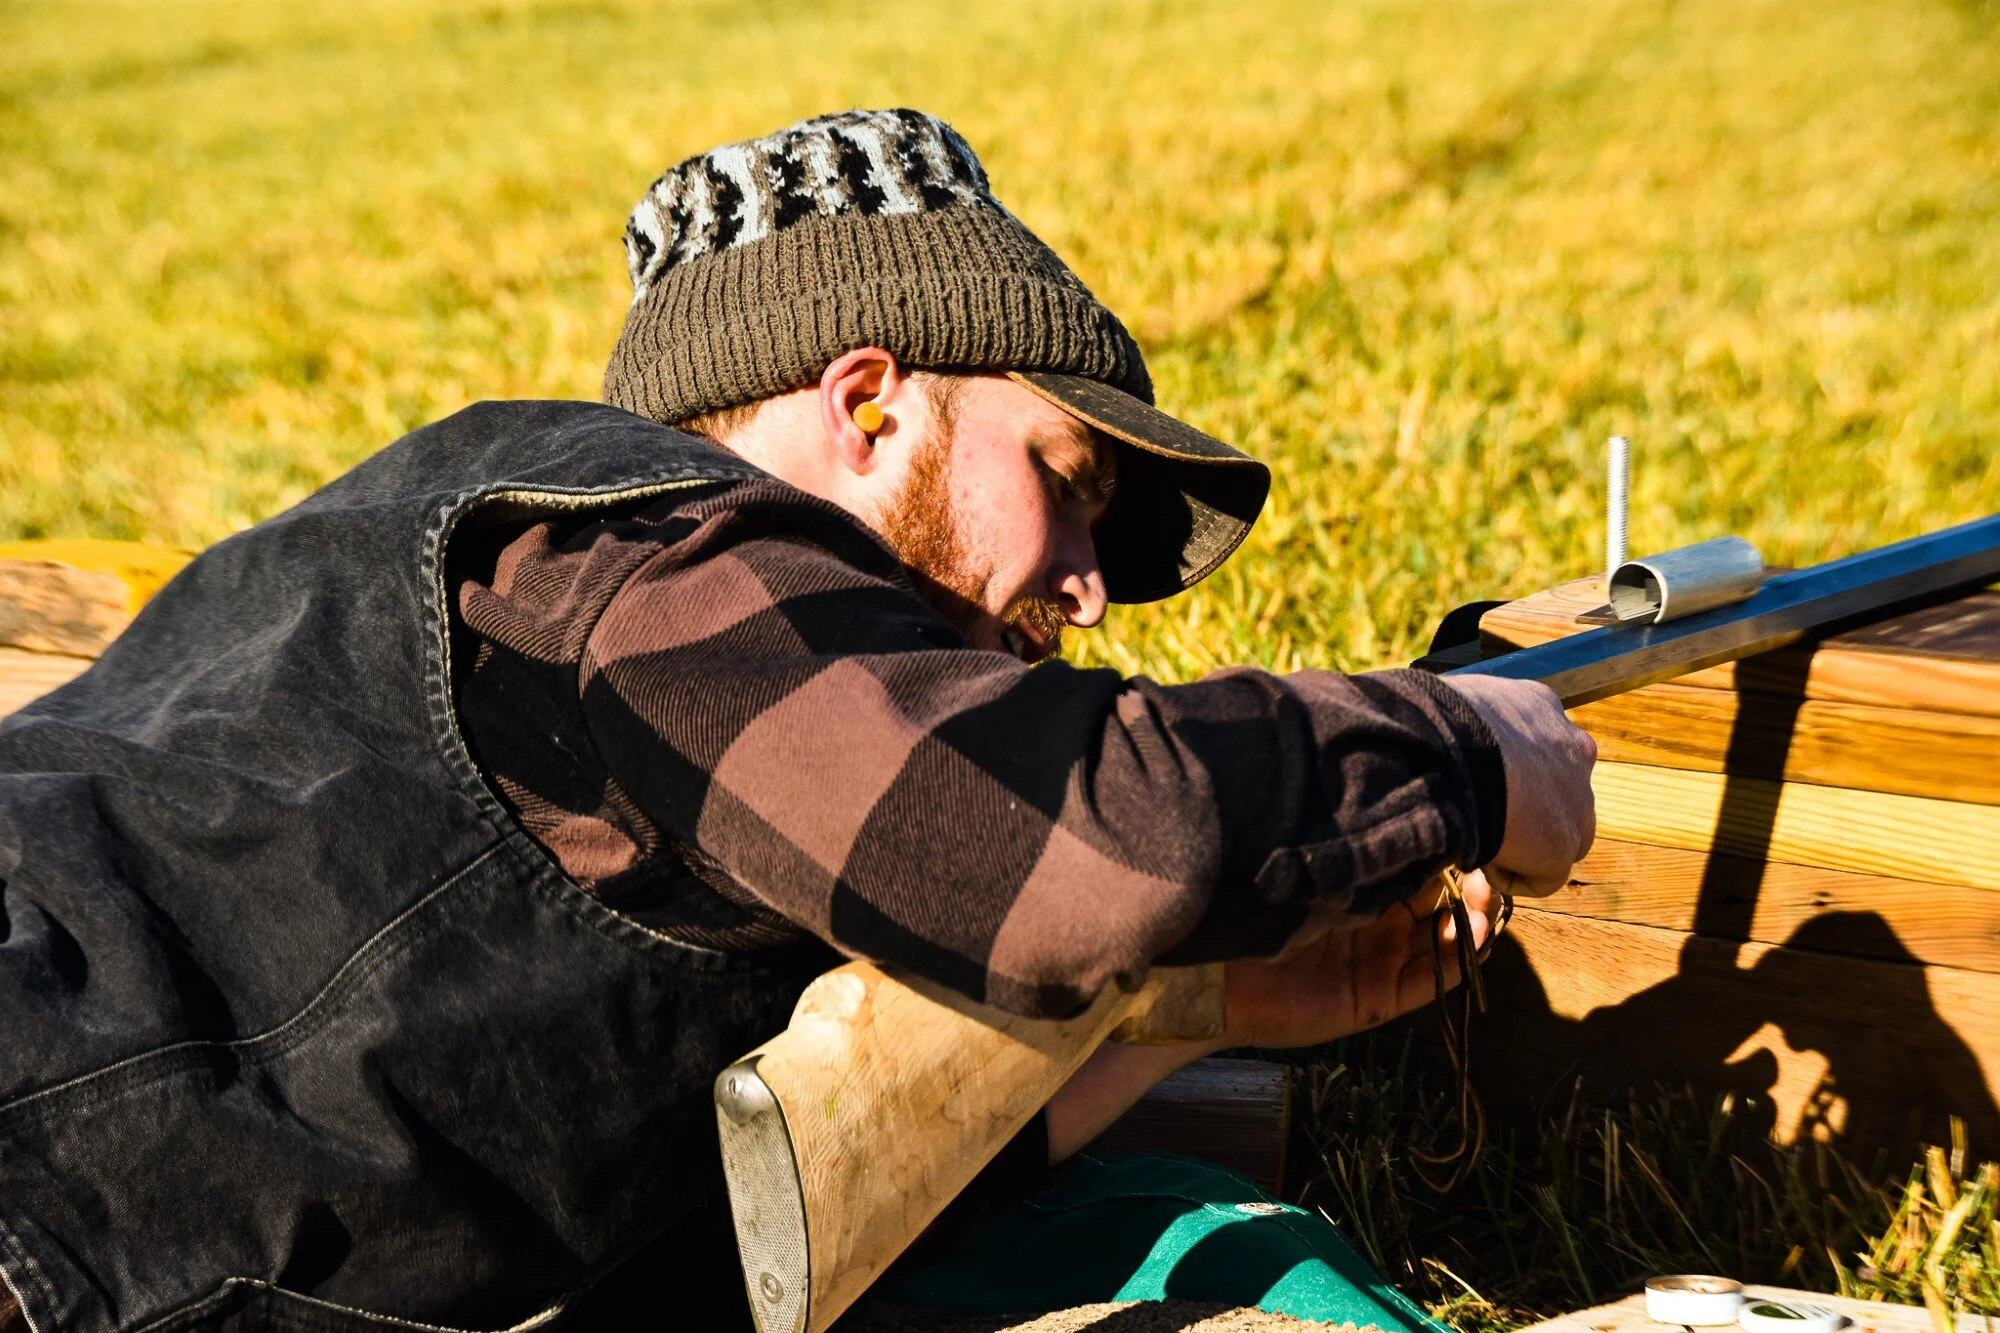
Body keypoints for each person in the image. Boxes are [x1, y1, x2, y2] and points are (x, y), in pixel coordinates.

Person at [0, 109, 1593, 1333]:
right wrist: (1459, 748)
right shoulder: (664, 563)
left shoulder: (602, 661)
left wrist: (1191, 1007)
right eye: (1065, 481)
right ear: (869, 404)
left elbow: (731, 1234)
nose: (1093, 590)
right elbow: (1061, 849)